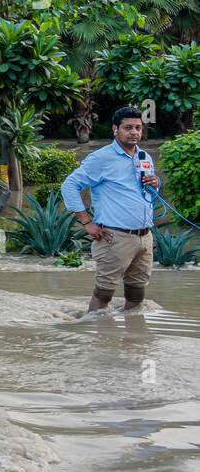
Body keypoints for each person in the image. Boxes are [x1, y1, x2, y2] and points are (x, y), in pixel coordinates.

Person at [60, 106, 160, 315]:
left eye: (138, 128)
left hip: (144, 237)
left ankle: (132, 340)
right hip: (114, 237)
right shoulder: (101, 158)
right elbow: (69, 185)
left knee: (136, 293)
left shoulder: (144, 157)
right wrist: (86, 221)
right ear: (115, 129)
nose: (134, 132)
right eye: (128, 127)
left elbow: (146, 194)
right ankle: (98, 341)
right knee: (104, 293)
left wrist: (155, 184)